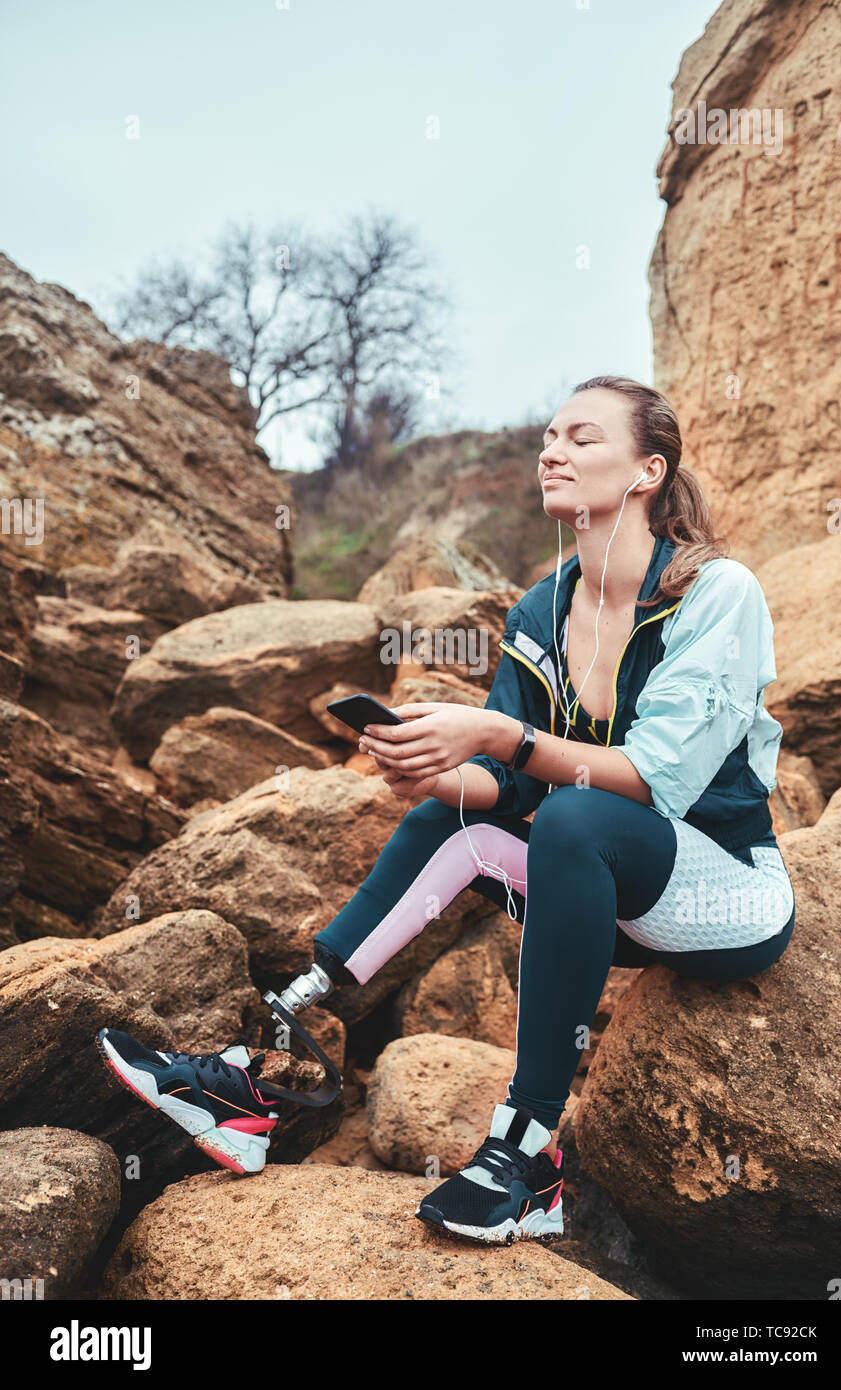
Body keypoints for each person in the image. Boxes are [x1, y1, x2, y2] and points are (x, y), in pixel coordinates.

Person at [97, 375, 795, 1246]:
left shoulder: (714, 592)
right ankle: (257, 1073)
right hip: (599, 898)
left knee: (579, 822)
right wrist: (435, 774)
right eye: (546, 434)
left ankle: (527, 1153)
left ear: (647, 470)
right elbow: (514, 791)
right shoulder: (540, 610)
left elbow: (654, 784)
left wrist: (498, 731)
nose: (551, 449)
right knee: (459, 822)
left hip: (721, 896)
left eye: (581, 437)